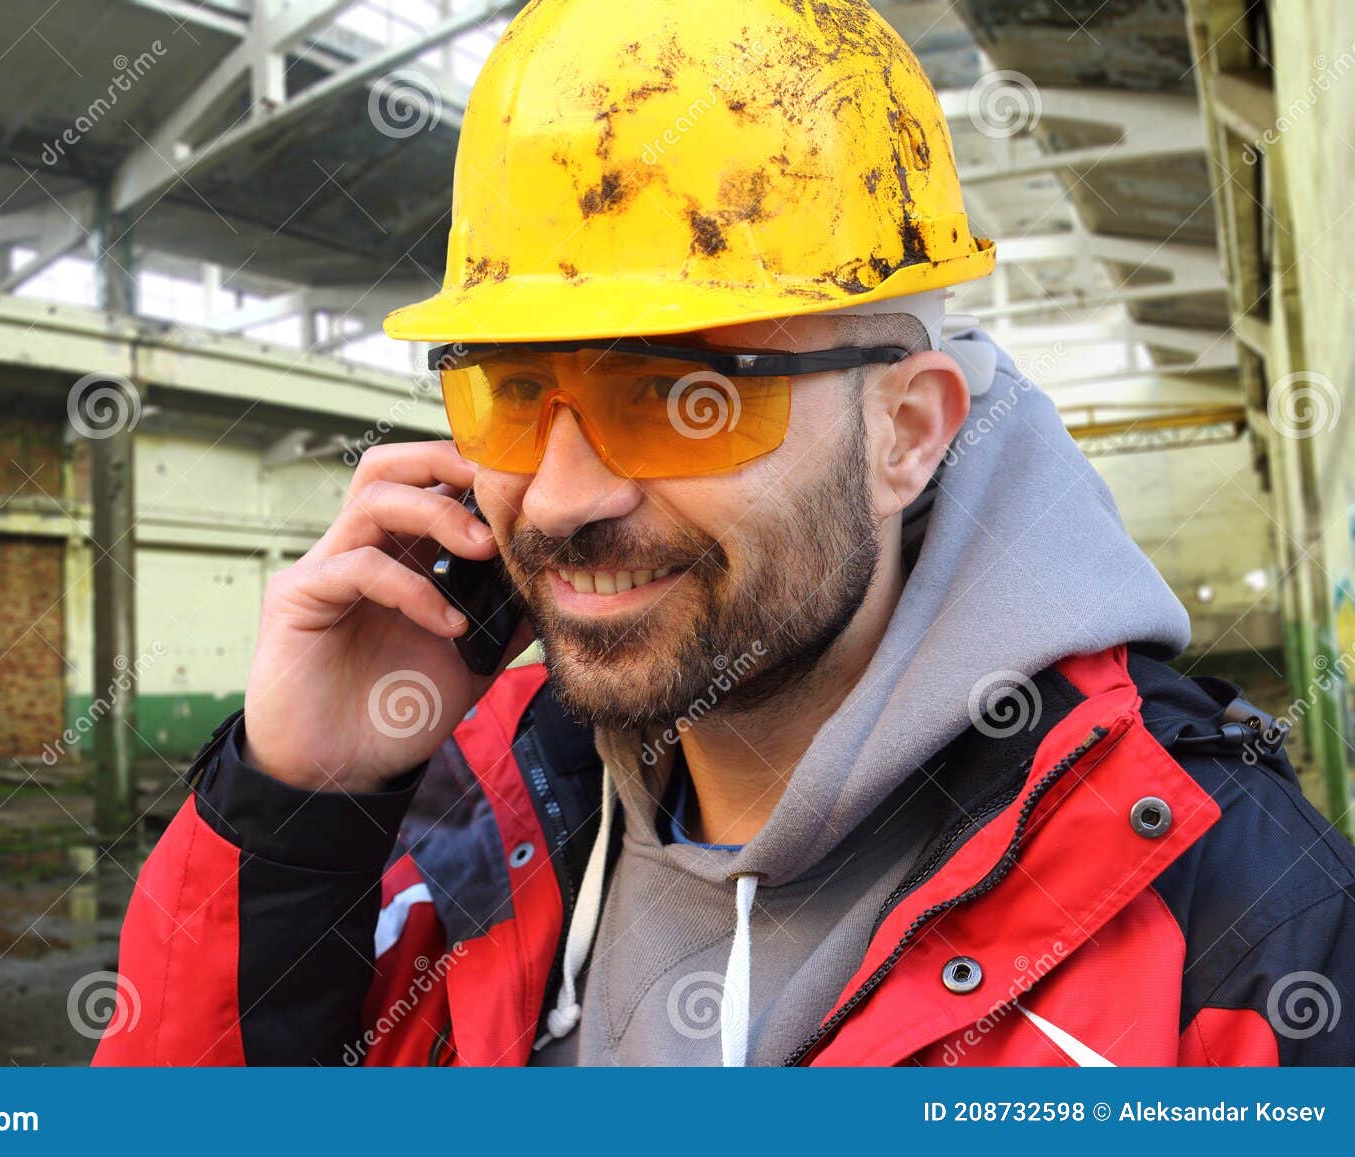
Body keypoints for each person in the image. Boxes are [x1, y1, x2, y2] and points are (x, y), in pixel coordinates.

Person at [94, 0, 1355, 1066]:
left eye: (679, 397)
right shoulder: (455, 828)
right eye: (514, 391)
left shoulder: (1236, 927)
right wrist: (299, 810)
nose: (562, 493)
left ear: (905, 433)